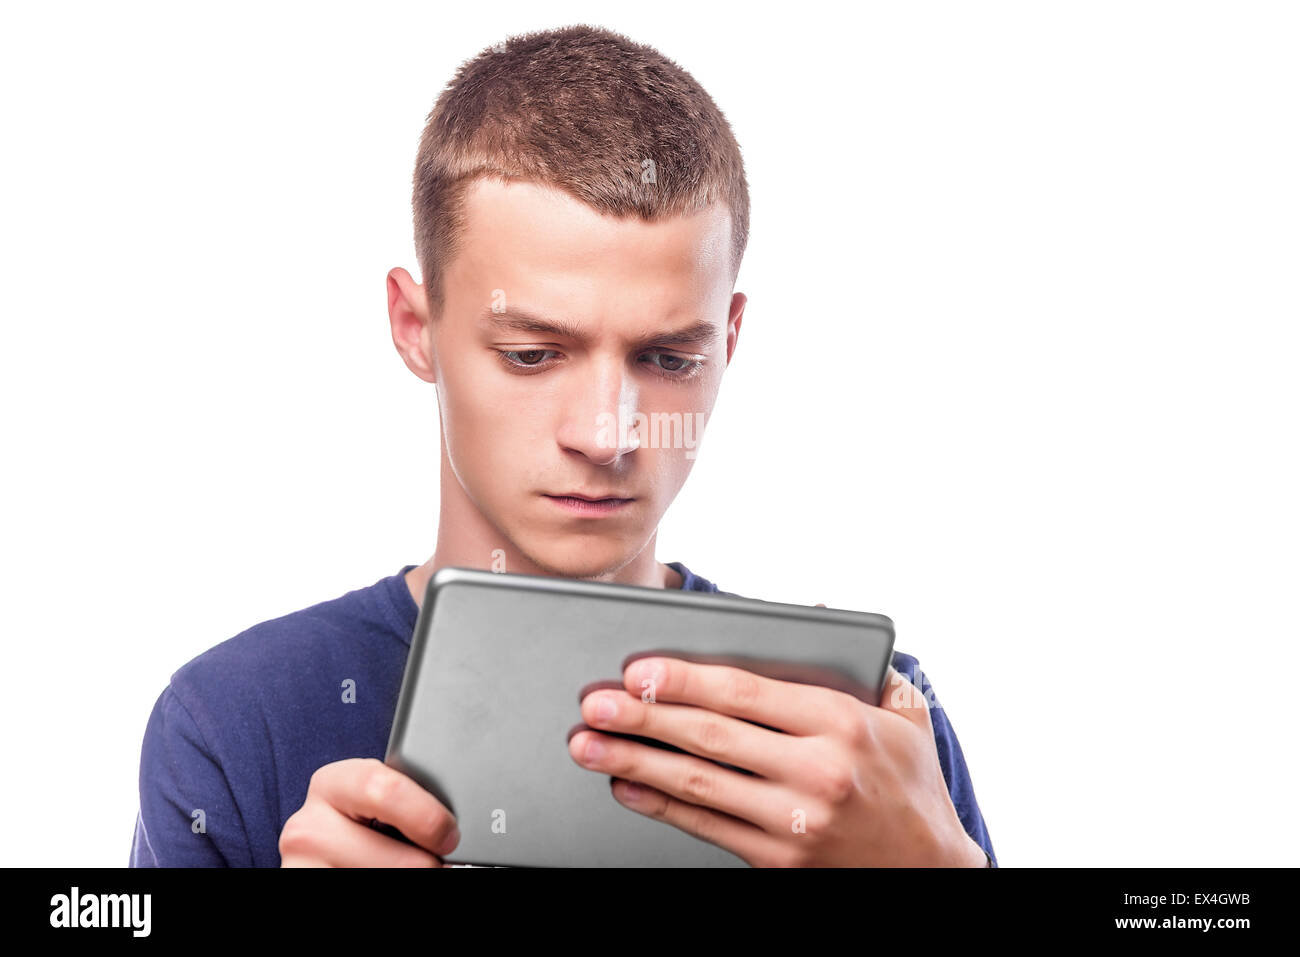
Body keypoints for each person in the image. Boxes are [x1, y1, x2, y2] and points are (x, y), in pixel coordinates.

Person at [131, 23, 996, 868]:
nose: (607, 432)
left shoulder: (875, 737)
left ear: (729, 339)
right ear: (414, 325)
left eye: (667, 357)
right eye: (532, 354)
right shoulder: (236, 725)